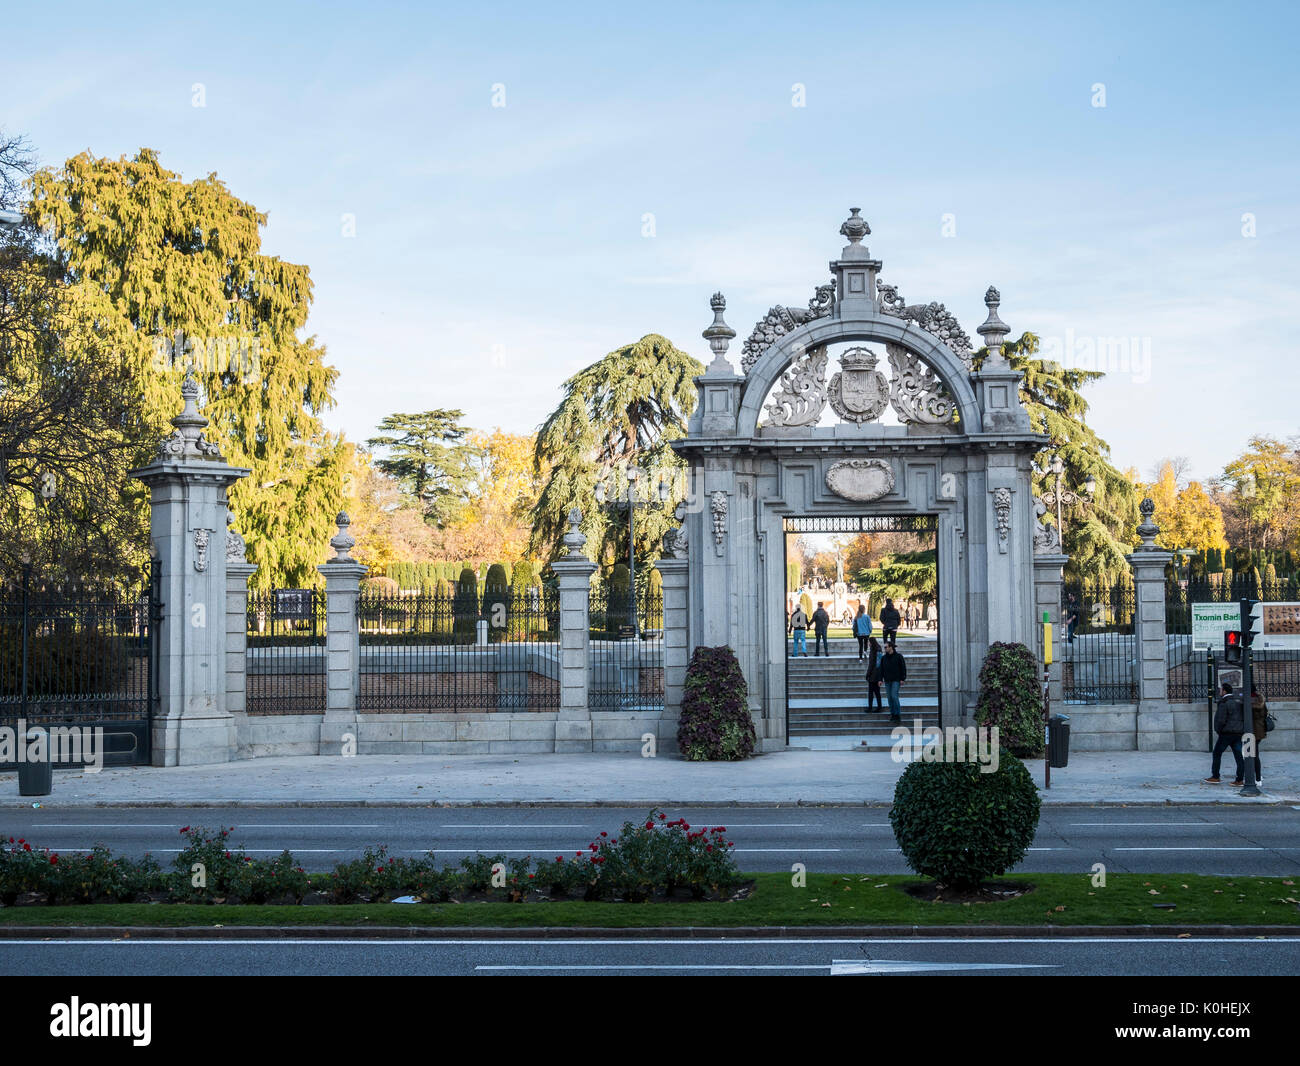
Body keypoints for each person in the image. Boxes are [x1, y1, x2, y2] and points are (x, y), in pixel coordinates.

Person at [1205, 681, 1246, 785]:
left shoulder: (1224, 703)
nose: (1219, 691)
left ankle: (1215, 776)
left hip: (1226, 733)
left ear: (1224, 691)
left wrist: (1219, 730)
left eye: (1220, 690)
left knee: (1217, 753)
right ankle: (1240, 779)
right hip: (1238, 732)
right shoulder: (1238, 701)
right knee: (1238, 756)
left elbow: (1221, 720)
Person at [879, 640, 907, 722]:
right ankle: (893, 714)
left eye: (886, 647)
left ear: (891, 647)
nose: (885, 649)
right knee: (889, 698)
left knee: (894, 696)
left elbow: (903, 668)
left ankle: (897, 714)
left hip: (896, 680)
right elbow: (881, 669)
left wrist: (903, 678)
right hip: (887, 680)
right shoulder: (884, 658)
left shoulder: (898, 656)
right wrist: (880, 679)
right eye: (884, 647)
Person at [1250, 684, 1268, 785]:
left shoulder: (1249, 701)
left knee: (1253, 755)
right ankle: (1257, 776)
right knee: (1253, 754)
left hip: (1253, 730)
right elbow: (1265, 713)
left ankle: (1257, 778)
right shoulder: (1260, 699)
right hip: (1260, 730)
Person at [864, 635, 883, 712]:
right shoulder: (878, 649)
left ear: (871, 643)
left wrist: (868, 674)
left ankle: (871, 707)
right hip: (877, 674)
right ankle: (878, 707)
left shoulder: (874, 651)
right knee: (877, 692)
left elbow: (871, 664)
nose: (868, 644)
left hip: (873, 675)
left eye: (869, 642)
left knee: (871, 692)